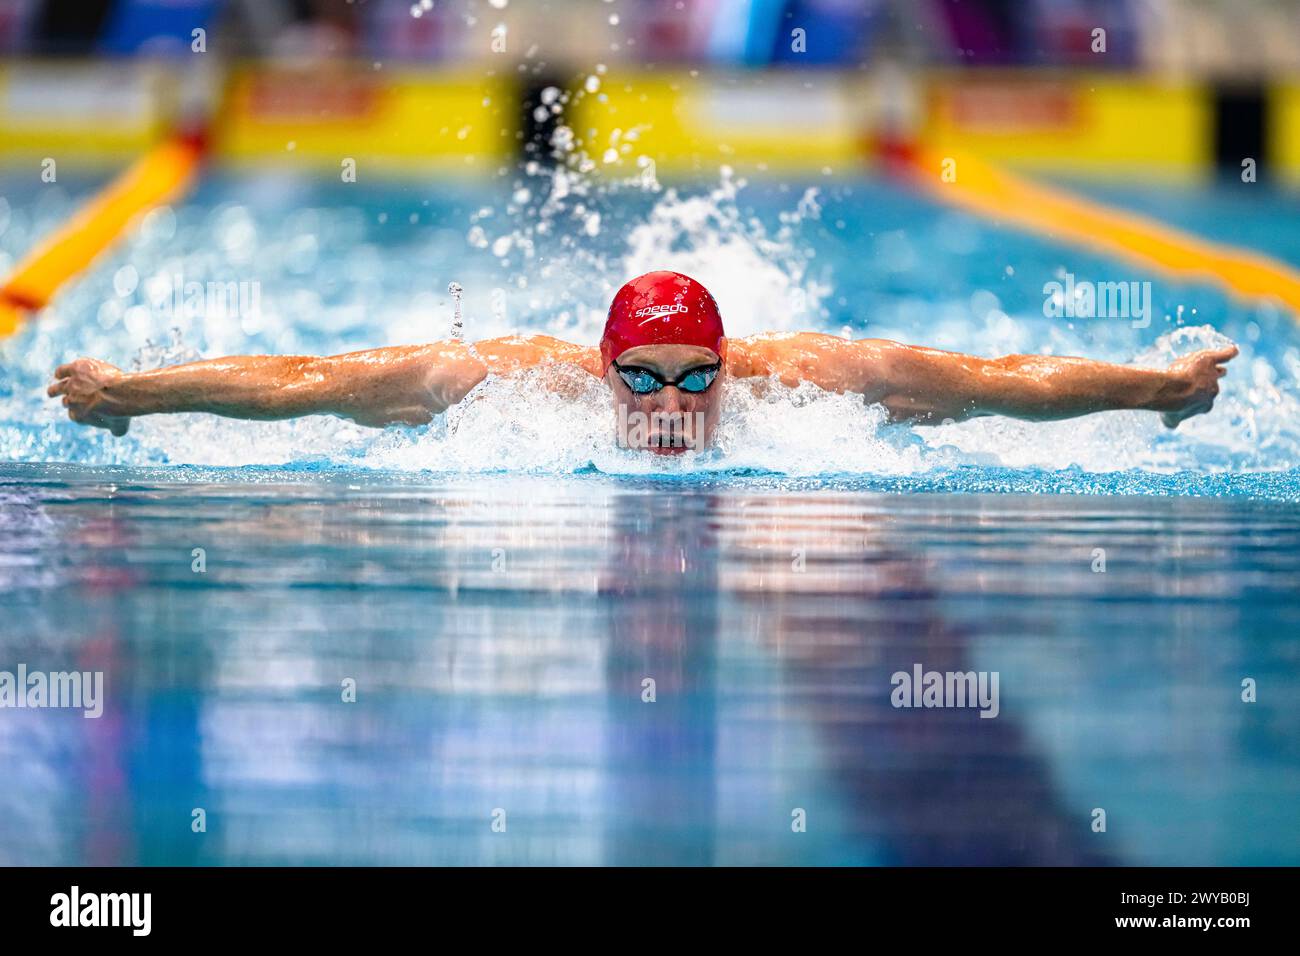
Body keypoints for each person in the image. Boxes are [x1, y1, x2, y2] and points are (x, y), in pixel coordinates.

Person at [48, 270, 1237, 456]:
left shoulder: (807, 379)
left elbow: (1000, 378)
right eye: (643, 378)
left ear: (730, 360)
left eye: (693, 376)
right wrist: (130, 398)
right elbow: (303, 380)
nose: (671, 407)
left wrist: (1160, 385)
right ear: (599, 364)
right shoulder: (512, 382)